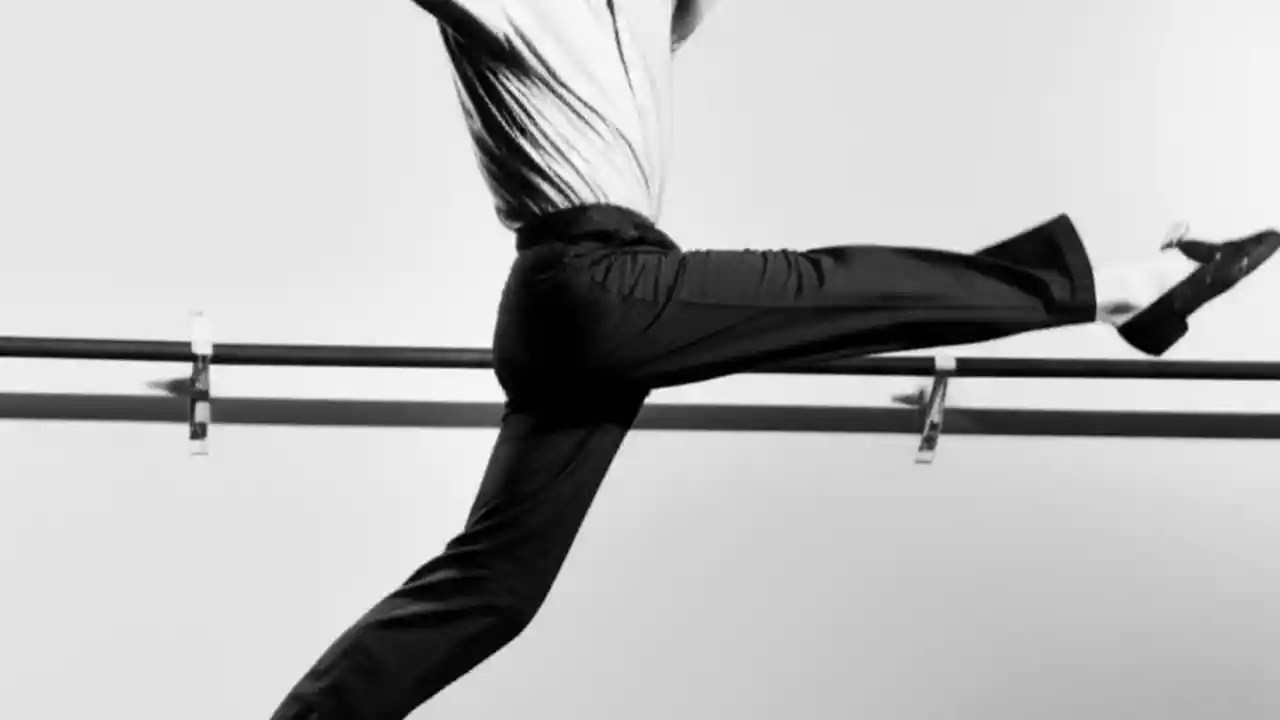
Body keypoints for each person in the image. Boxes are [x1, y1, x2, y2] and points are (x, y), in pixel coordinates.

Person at [270, 2, 1278, 717]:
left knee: (492, 588)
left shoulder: (647, 14)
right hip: (588, 287)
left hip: (580, 311)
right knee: (824, 287)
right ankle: (1128, 285)